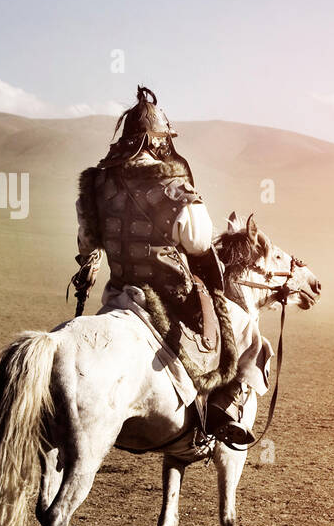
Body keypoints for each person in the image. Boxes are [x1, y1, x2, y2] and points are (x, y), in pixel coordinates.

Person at [71, 86, 258, 447]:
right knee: (246, 325)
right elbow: (199, 244)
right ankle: (222, 410)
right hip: (170, 297)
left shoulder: (96, 185)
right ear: (159, 143)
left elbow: (86, 242)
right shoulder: (175, 185)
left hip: (119, 294)